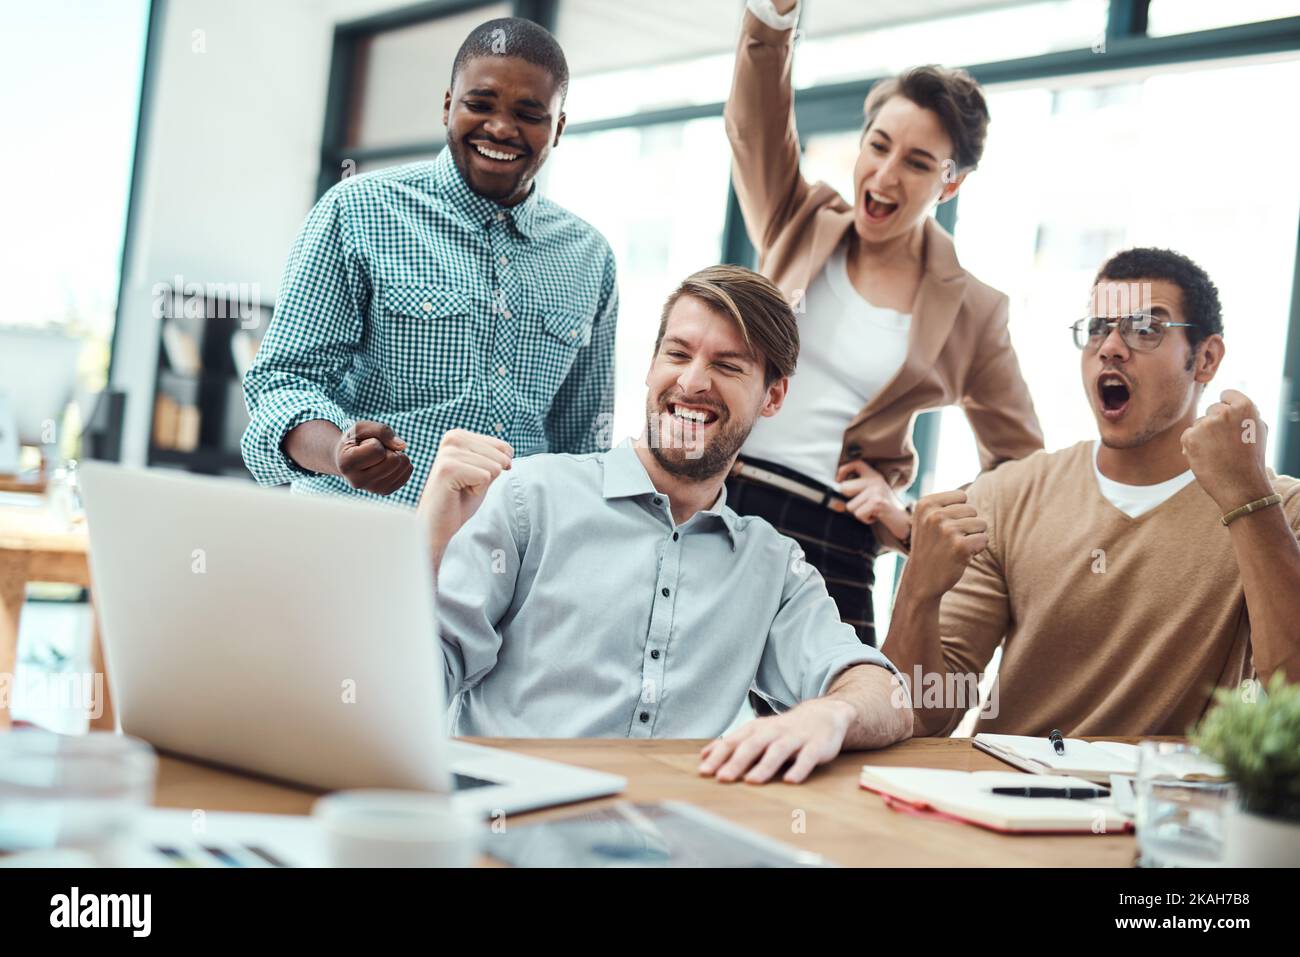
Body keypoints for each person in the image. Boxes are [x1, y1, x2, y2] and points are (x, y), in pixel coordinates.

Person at [419, 265, 912, 784]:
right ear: (652, 364)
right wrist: (427, 540)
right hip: (503, 827)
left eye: (728, 365)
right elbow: (415, 682)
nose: (693, 381)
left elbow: (890, 694)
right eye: (677, 354)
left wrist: (830, 713)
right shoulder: (529, 497)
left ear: (773, 397)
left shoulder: (773, 567)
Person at [723, 0, 1042, 649]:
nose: (886, 174)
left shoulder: (974, 310)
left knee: (829, 727)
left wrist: (915, 520)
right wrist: (775, 19)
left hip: (832, 535)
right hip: (722, 499)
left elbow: (1022, 466)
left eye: (919, 163)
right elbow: (754, 125)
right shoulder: (800, 220)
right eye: (879, 146)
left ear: (949, 185)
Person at [883, 248, 1300, 737]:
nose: (1111, 347)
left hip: (1161, 807)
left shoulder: (1277, 510)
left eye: (1145, 328)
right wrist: (916, 593)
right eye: (1099, 328)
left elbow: (1291, 693)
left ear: (1205, 359)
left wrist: (1249, 499)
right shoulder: (1007, 497)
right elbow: (920, 717)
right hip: (1006, 802)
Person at [241, 17, 616, 504]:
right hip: (362, 540)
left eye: (530, 113)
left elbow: (583, 441)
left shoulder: (590, 257)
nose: (501, 128)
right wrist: (340, 452)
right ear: (447, 107)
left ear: (558, 127)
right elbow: (283, 383)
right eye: (479, 105)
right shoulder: (357, 210)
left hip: (511, 563)